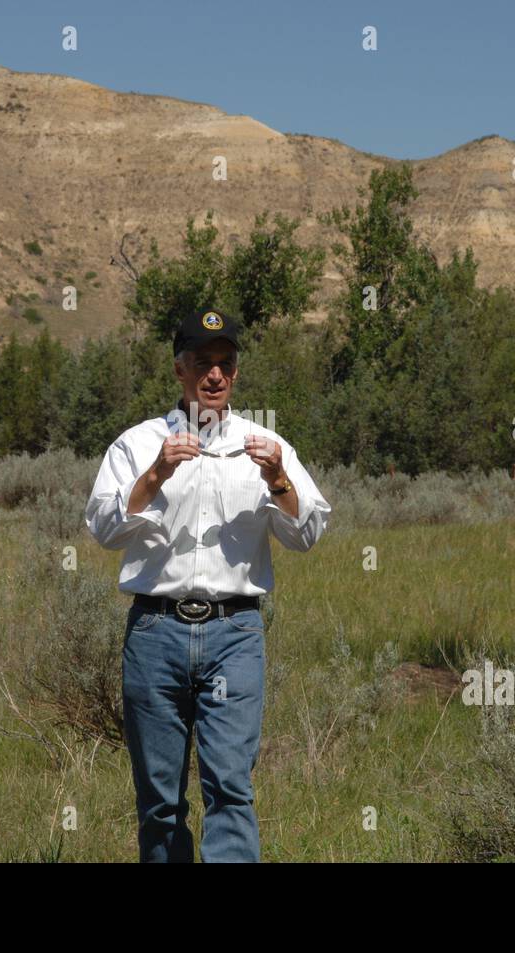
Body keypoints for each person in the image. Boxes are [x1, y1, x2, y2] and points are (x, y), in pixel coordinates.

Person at [84, 308, 330, 862]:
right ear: (179, 370)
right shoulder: (138, 444)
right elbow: (102, 526)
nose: (214, 376)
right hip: (155, 634)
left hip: (235, 635)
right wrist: (154, 476)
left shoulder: (265, 445)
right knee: (160, 802)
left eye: (225, 364)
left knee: (231, 791)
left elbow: (308, 531)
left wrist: (278, 480)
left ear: (236, 375)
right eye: (202, 363)